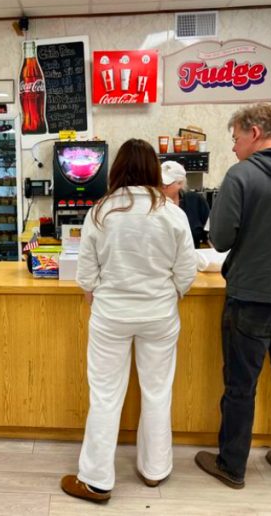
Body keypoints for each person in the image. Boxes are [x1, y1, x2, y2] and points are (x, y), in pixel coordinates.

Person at [61, 139, 199, 503]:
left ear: (116, 169)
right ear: (154, 171)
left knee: (105, 396)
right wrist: (169, 296)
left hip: (111, 316)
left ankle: (96, 479)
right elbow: (187, 271)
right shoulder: (172, 213)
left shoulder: (101, 212)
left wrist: (97, 297)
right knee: (157, 391)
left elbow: (86, 275)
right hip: (159, 315)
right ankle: (155, 471)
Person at [195, 103, 271, 488]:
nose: (234, 148)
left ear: (254, 133)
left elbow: (220, 238)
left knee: (240, 386)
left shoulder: (241, 176)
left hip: (251, 298)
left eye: (236, 139)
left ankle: (232, 466)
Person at [161, 160, 210, 247]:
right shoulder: (154, 205)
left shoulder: (195, 201)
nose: (162, 187)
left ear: (180, 183)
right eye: (159, 182)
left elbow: (210, 235)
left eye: (166, 183)